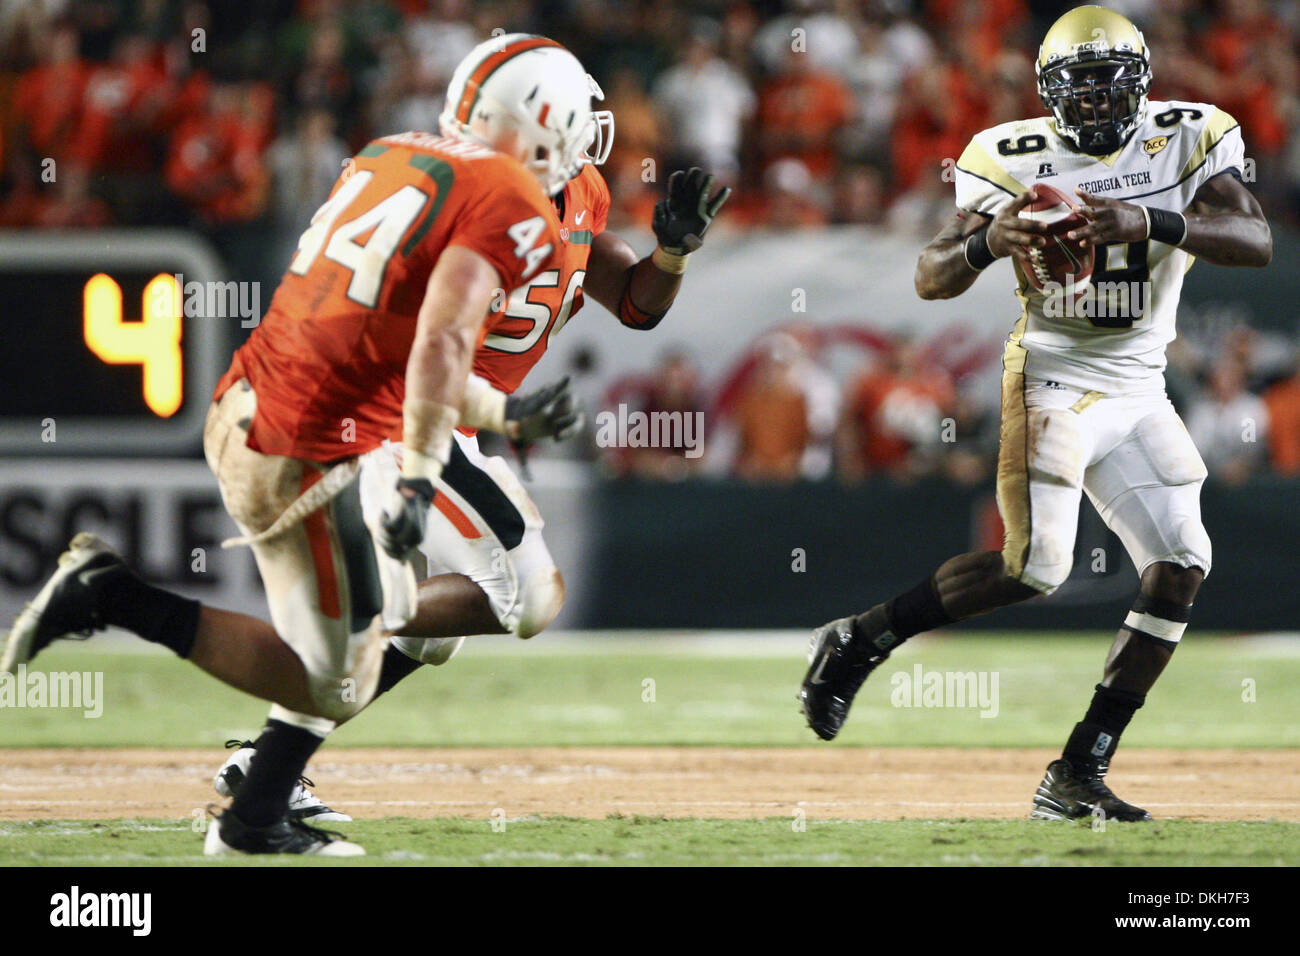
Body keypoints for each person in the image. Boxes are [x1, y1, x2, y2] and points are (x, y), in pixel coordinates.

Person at [2, 34, 608, 857]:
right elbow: (438, 346)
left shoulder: (391, 154)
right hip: (314, 444)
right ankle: (113, 598)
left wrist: (501, 415)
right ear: (540, 125)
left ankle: (256, 811)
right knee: (338, 680)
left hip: (255, 401)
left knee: (398, 634)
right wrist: (427, 474)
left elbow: (401, 338)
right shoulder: (511, 199)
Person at [208, 57, 731, 819]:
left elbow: (626, 297)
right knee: (525, 593)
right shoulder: (472, 196)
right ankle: (342, 614)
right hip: (405, 415)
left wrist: (672, 255)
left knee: (433, 636)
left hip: (433, 420)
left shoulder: (574, 190)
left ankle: (268, 767)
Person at [800, 7, 1271, 822]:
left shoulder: (1190, 134)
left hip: (1140, 382)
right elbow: (929, 274)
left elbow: (1255, 238)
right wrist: (990, 242)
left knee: (1183, 561)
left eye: (1107, 83)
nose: (1092, 103)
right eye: (1077, 87)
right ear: (1051, 91)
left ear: (1142, 83)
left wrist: (1155, 220)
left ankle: (1079, 770)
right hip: (1052, 374)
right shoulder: (1007, 155)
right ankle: (864, 636)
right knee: (1036, 568)